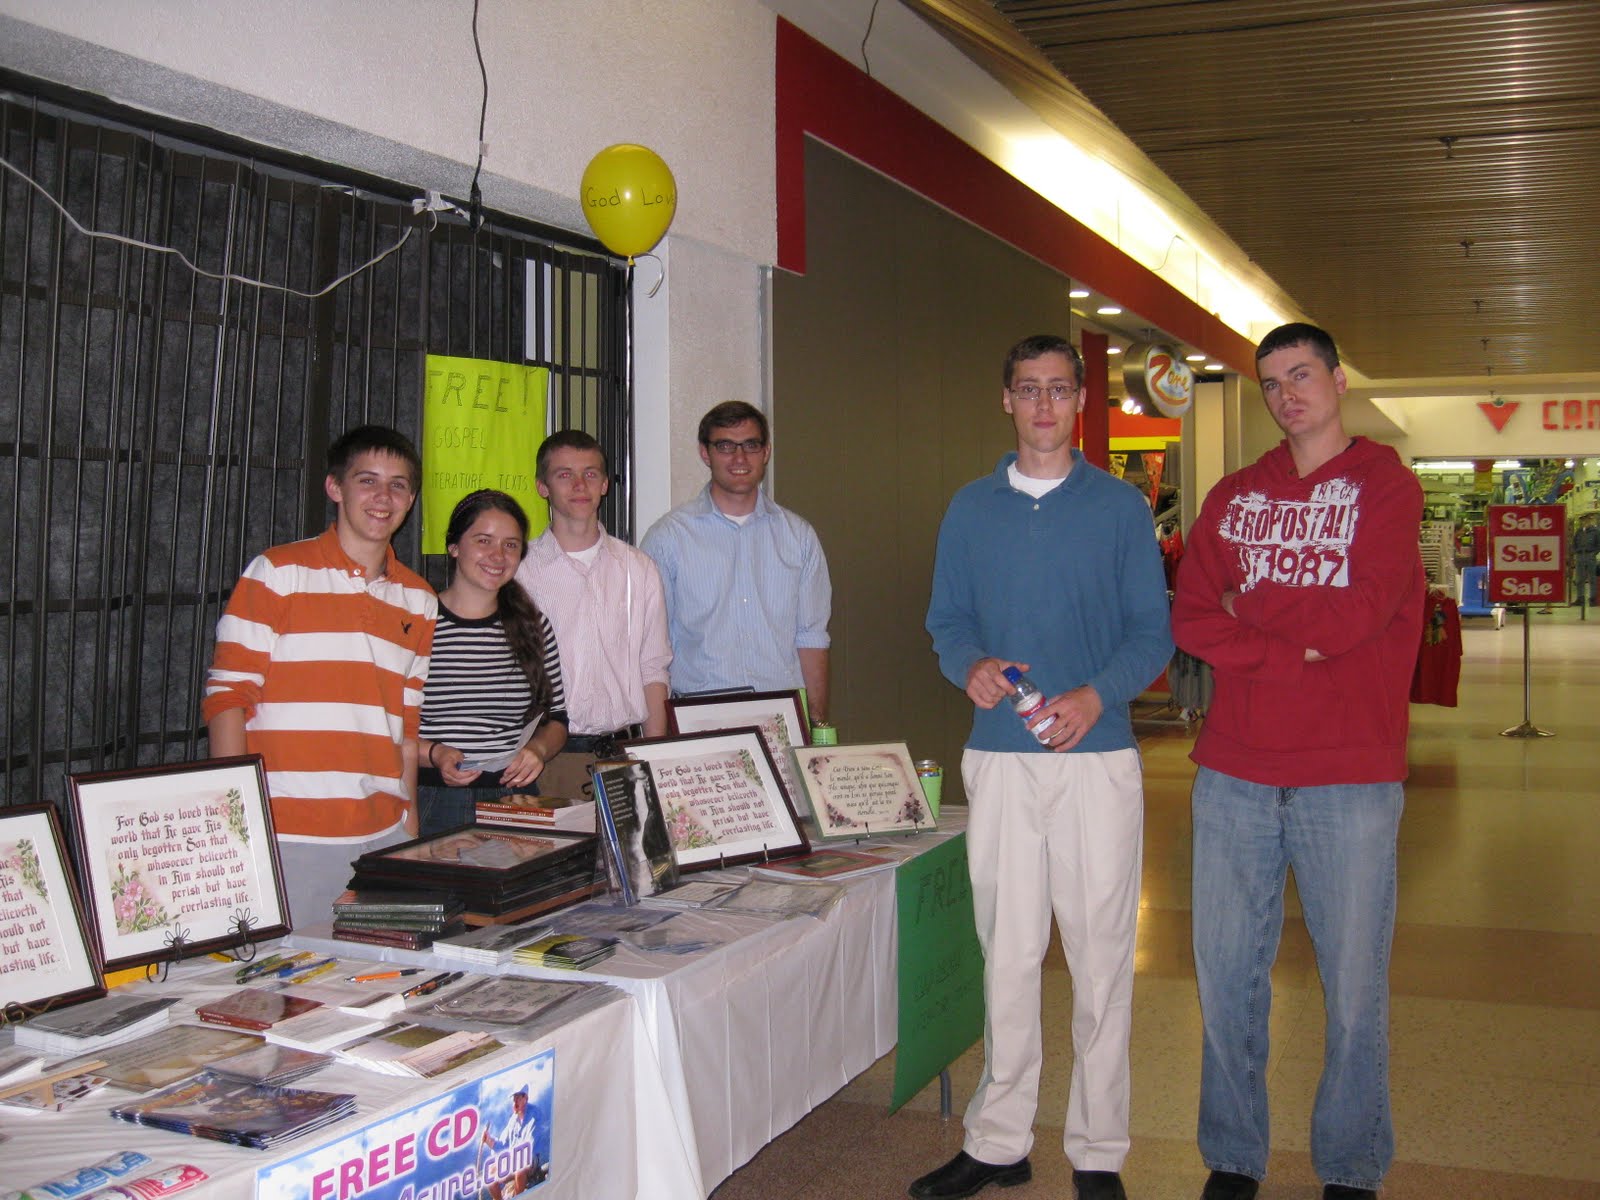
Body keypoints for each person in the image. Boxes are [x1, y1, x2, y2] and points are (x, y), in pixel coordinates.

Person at [1170, 323, 1424, 1200]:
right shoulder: (1235, 495)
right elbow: (1194, 615)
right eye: (1272, 383)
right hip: (1234, 771)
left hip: (1350, 776)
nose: (1288, 396)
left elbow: (1362, 611)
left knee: (1354, 985)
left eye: (1301, 375)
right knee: (1225, 976)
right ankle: (1233, 1156)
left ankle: (1351, 1166)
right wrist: (1287, 645)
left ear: (1338, 379)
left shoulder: (1386, 489)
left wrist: (1257, 604)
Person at [918, 335, 1173, 1200]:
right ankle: (998, 1139)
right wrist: (971, 666)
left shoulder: (1119, 509)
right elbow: (947, 621)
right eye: (1028, 389)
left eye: (1059, 390)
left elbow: (1153, 631)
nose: (1043, 406)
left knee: (1102, 956)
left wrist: (1097, 697)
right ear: (1006, 399)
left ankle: (1098, 1151)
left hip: (1097, 761)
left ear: (1080, 402)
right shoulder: (970, 508)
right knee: (1008, 952)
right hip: (1001, 757)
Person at [203, 425, 436, 928]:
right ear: (336, 488)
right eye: (367, 480)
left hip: (382, 831)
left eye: (398, 485)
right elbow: (227, 697)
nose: (383, 497)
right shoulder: (278, 573)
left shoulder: (420, 600)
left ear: (411, 499)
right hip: (290, 831)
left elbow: (407, 726)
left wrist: (408, 826)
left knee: (374, 984)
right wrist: (240, 822)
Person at [641, 401, 831, 723]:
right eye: (726, 446)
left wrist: (816, 724)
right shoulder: (668, 539)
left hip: (781, 718)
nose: (740, 458)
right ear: (706, 453)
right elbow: (653, 652)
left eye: (751, 445)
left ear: (766, 451)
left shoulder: (799, 537)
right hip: (699, 720)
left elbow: (811, 638)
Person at [515, 431, 671, 799]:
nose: (579, 484)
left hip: (625, 754)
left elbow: (653, 668)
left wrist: (658, 756)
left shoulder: (639, 569)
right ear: (542, 486)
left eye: (590, 473)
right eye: (564, 474)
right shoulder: (520, 572)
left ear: (604, 484)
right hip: (549, 757)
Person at [416, 490, 569, 834]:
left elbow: (557, 719)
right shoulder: (417, 622)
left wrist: (538, 750)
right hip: (431, 799)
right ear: (454, 546)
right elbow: (387, 727)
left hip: (513, 797)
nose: (497, 555)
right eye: (483, 540)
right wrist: (434, 754)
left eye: (511, 545)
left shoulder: (534, 626)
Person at [482, 1086, 543, 1198]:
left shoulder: (535, 1114)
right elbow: (503, 1145)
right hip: (513, 1159)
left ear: (526, 1098)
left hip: (530, 1158)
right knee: (490, 1174)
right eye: (514, 1098)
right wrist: (489, 1140)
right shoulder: (513, 1121)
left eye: (518, 1098)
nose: (515, 1101)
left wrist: (511, 1158)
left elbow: (530, 1145)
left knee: (520, 1166)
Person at [1572, 512, 1599, 605]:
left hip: (1590, 555)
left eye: (1586, 519)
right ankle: (1580, 598)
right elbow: (1574, 543)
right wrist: (1576, 552)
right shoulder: (1579, 531)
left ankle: (1593, 598)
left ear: (1589, 520)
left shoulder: (1595, 531)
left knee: (1592, 578)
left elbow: (1598, 544)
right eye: (1582, 520)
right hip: (1580, 556)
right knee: (1580, 579)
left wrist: (1593, 553)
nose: (1584, 521)